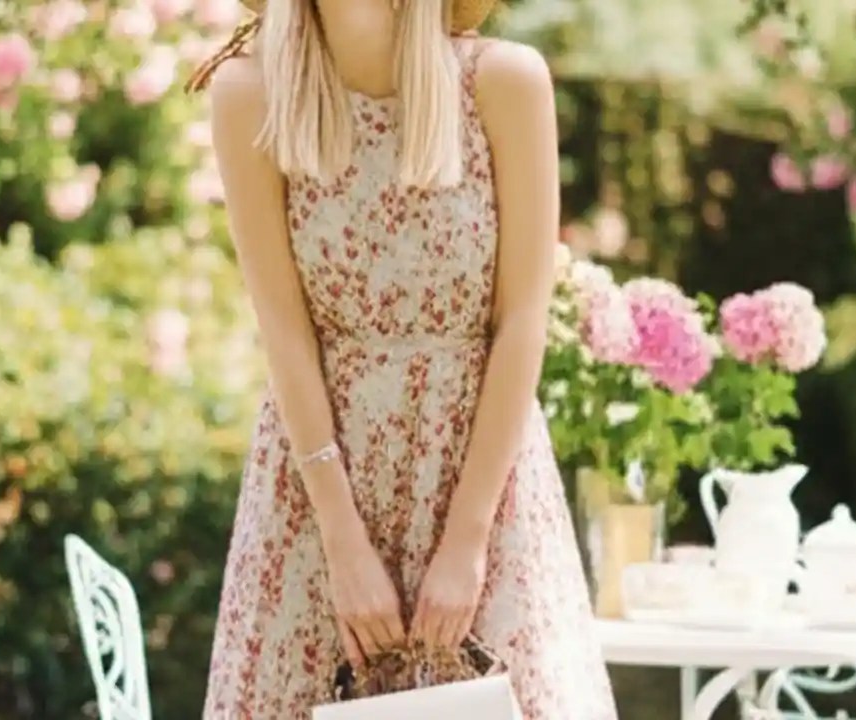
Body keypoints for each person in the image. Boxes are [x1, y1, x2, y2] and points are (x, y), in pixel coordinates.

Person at [193, 1, 619, 717]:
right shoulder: (249, 95)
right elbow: (284, 333)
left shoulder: (505, 83)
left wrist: (468, 539)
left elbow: (521, 322)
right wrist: (341, 542)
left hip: (484, 483)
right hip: (316, 493)